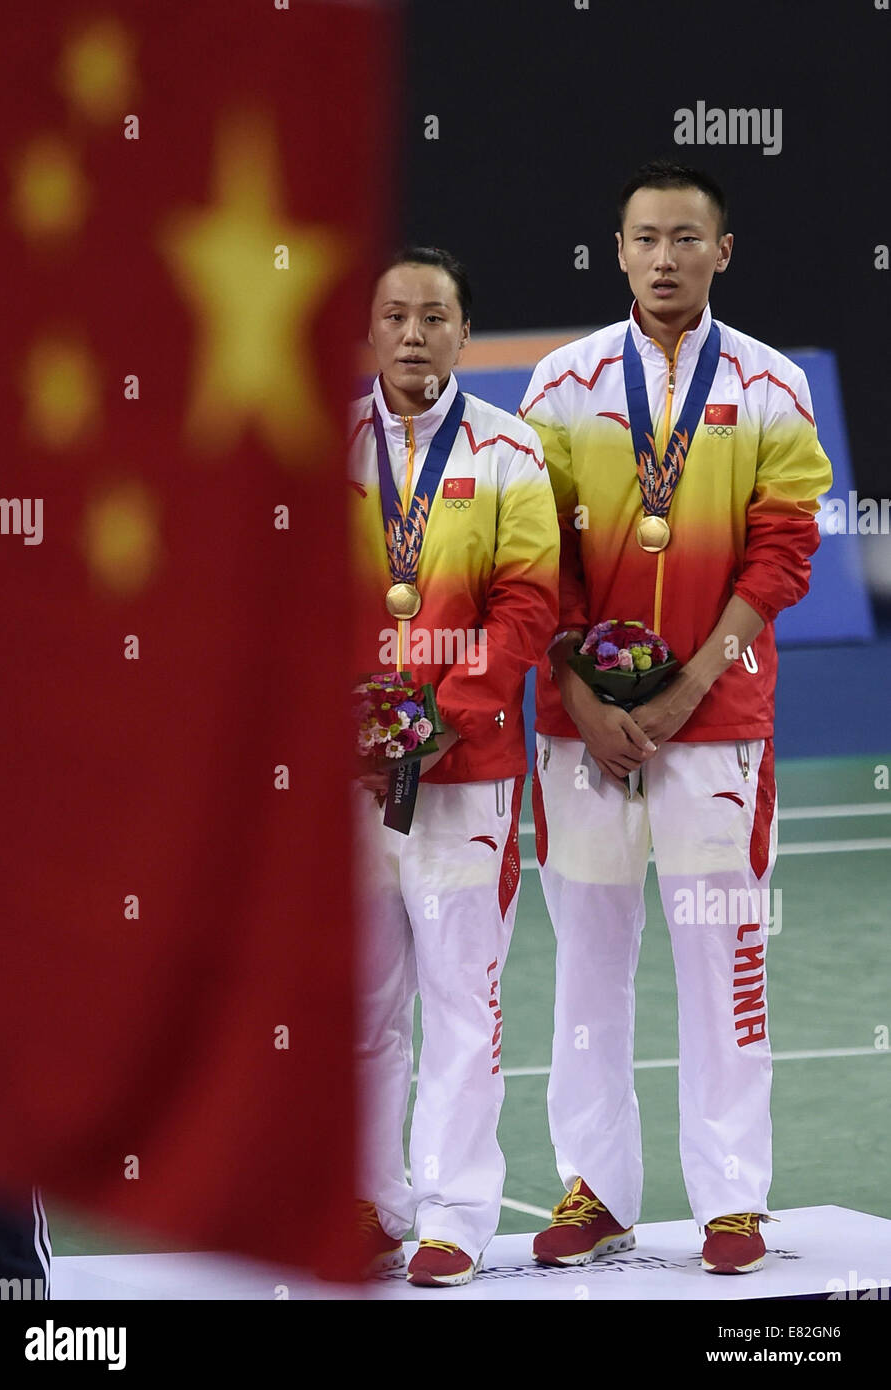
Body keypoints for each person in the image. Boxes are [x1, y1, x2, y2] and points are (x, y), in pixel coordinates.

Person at [518, 160, 832, 1274]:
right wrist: (579, 693)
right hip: (583, 733)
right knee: (586, 966)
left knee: (722, 961)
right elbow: (530, 555)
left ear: (722, 251)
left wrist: (695, 681)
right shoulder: (560, 382)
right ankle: (595, 1190)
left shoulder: (768, 386)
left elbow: (784, 549)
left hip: (720, 720)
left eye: (686, 239)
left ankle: (731, 1201)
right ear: (617, 250)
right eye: (645, 238)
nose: (664, 257)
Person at [350, 246, 559, 1287]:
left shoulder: (512, 452)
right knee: (362, 1001)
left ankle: (455, 1216)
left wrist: (443, 710)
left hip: (465, 772)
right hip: (346, 781)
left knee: (461, 1004)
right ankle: (367, 1200)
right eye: (396, 315)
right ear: (370, 331)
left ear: (465, 334)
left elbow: (527, 607)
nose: (416, 333)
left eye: (437, 315)